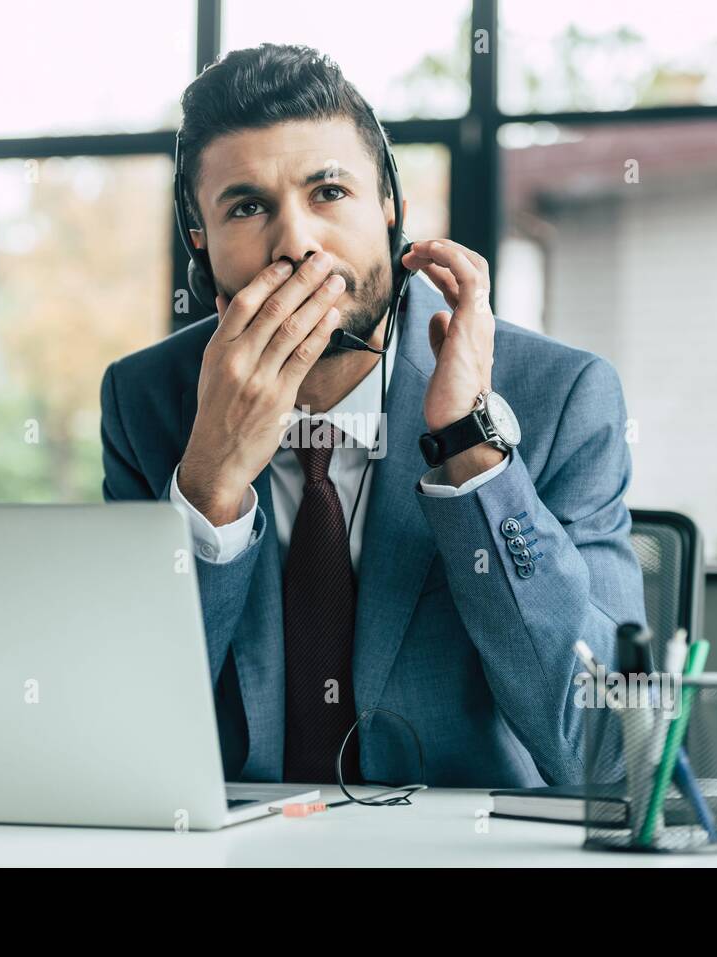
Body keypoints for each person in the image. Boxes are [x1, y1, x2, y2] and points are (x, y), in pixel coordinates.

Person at [101, 43, 646, 788]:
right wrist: (211, 483)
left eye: (328, 192)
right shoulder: (146, 402)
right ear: (199, 239)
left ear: (390, 206)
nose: (296, 241)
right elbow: (121, 734)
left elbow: (611, 754)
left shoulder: (563, 397)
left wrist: (473, 452)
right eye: (248, 206)